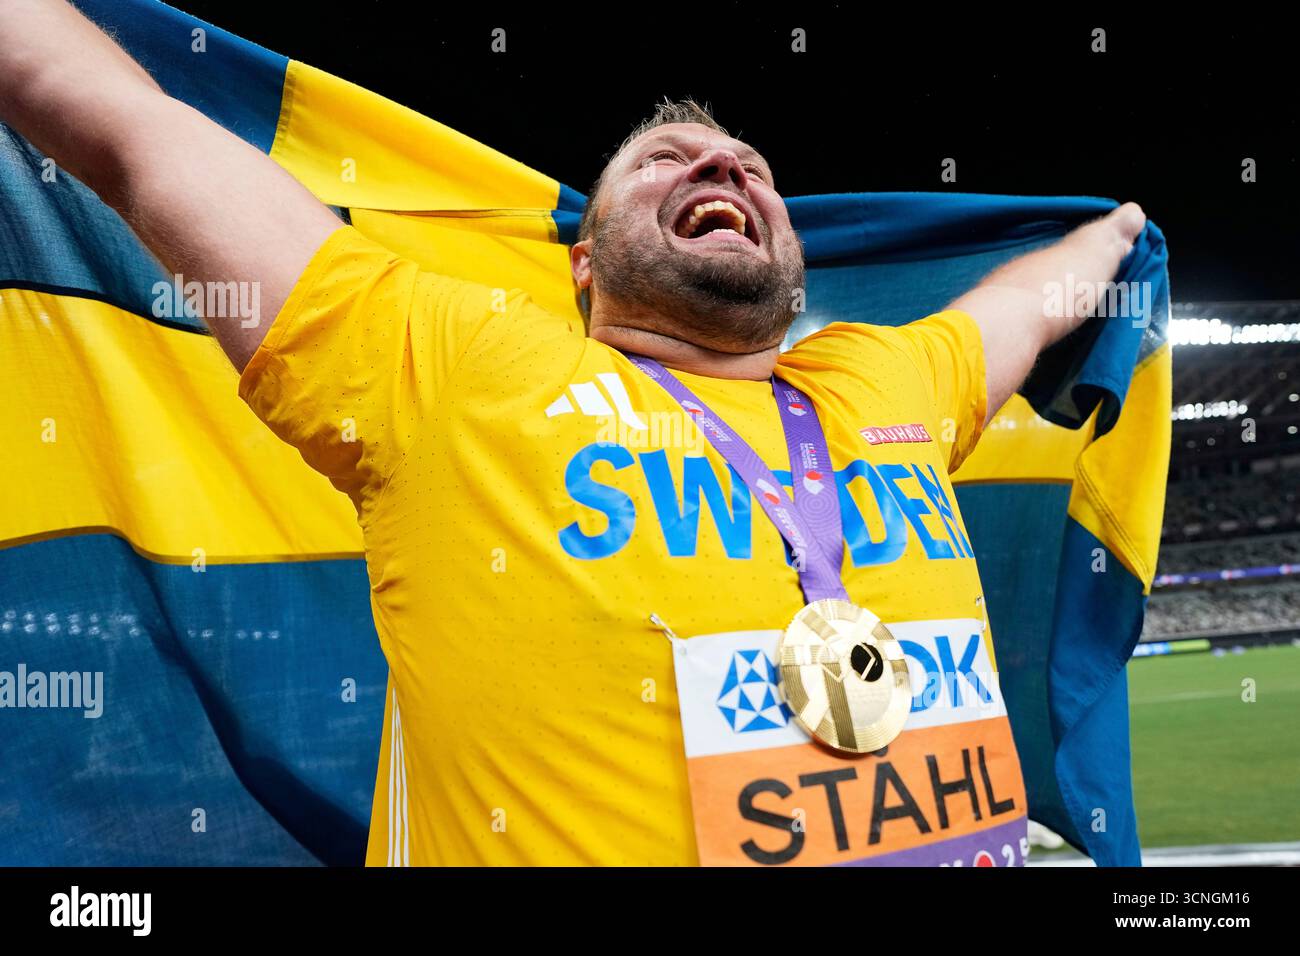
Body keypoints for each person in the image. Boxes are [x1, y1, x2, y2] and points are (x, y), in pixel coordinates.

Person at [1, 0, 1146, 866]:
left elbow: (1027, 304)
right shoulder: (451, 365)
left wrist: (1123, 232)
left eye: (751, 169)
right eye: (666, 161)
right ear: (585, 262)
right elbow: (130, 129)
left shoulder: (883, 375)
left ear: (793, 267)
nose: (721, 165)